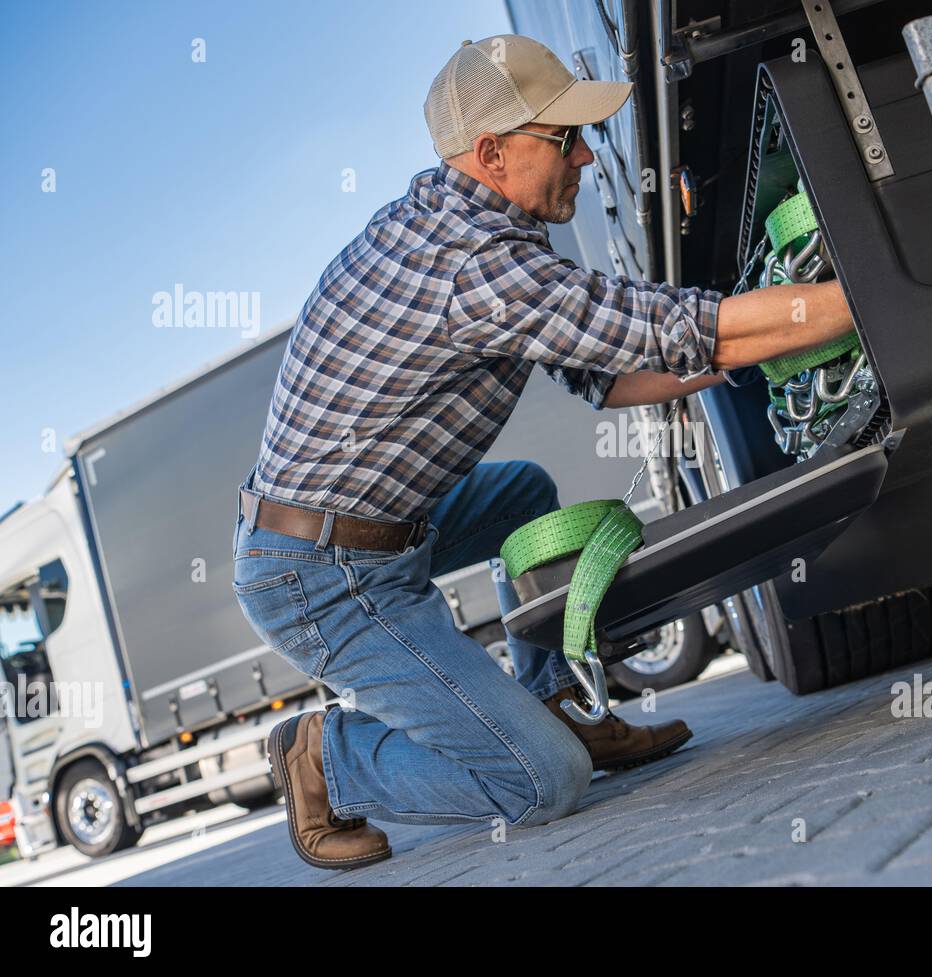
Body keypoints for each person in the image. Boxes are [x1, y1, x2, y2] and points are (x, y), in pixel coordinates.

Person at [233, 34, 856, 870]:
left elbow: (612, 375)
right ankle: (328, 759)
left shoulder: (476, 224)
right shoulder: (474, 266)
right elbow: (679, 328)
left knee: (521, 494)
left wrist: (761, 349)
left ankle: (553, 696)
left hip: (372, 526)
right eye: (565, 138)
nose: (589, 155)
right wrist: (859, 302)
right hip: (320, 576)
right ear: (491, 152)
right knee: (541, 782)